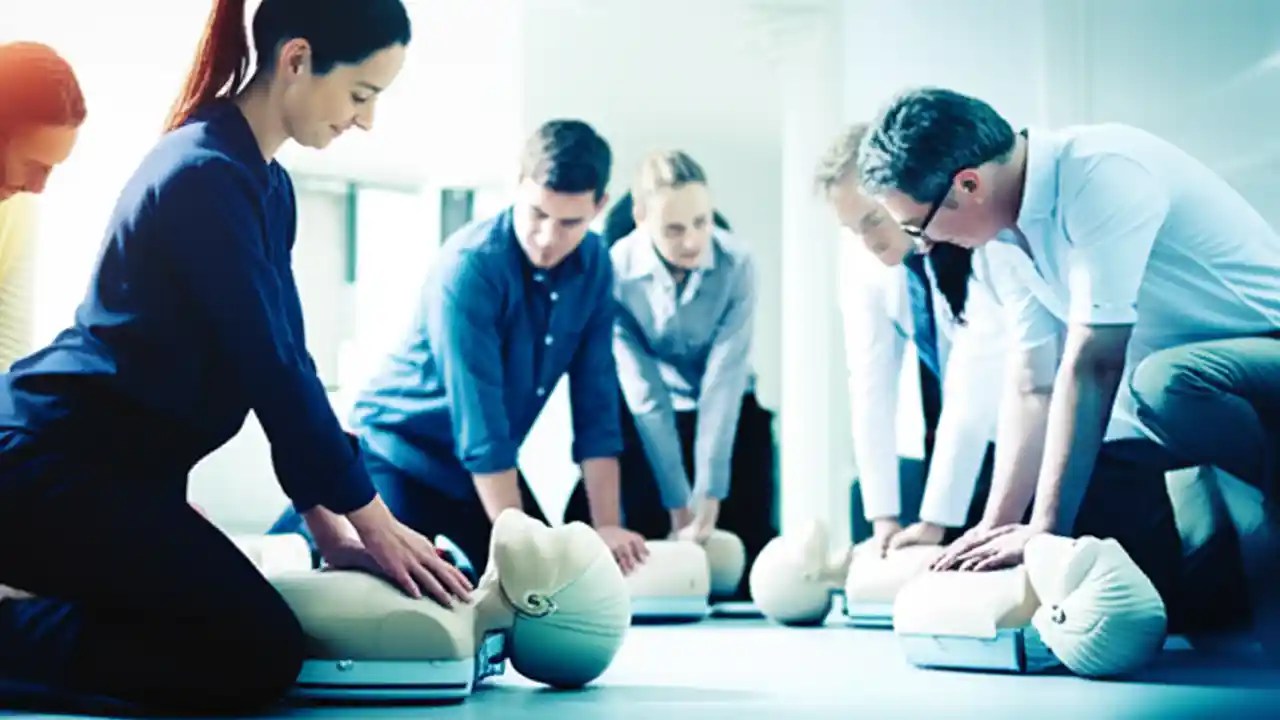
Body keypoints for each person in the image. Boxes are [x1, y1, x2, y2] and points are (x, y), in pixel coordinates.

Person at [0, 1, 476, 715]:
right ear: (295, 60)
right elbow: (272, 370)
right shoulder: (201, 173)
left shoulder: (265, 184)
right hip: (51, 470)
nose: (366, 120)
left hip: (118, 482)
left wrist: (332, 529)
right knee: (252, 649)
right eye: (360, 94)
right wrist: (374, 523)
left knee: (245, 641)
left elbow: (289, 358)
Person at [855, 87, 1280, 648]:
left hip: (1253, 357)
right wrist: (996, 523)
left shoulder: (1100, 174)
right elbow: (1033, 383)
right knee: (1168, 566)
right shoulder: (1005, 237)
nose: (925, 246)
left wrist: (1044, 531)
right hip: (1176, 397)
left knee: (1162, 383)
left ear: (968, 184)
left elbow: (1094, 363)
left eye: (917, 226)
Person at [275, 119, 650, 578]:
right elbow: (483, 428)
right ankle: (285, 539)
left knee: (556, 593)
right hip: (399, 455)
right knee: (396, 582)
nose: (549, 238)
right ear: (517, 184)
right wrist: (525, 556)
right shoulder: (471, 267)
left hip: (476, 475)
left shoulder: (595, 267)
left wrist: (608, 526)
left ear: (599, 207)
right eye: (537, 214)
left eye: (570, 222)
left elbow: (597, 407)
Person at [563, 151, 776, 583]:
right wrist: (680, 506)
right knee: (646, 521)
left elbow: (724, 380)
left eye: (702, 222)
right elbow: (646, 396)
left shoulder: (739, 263)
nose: (693, 241)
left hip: (729, 401)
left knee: (744, 533)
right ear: (641, 218)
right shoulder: (615, 272)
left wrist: (709, 494)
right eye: (674, 229)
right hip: (652, 403)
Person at [815, 123, 1001, 556]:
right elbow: (870, 386)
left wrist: (936, 519)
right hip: (947, 440)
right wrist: (883, 518)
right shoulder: (863, 263)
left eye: (873, 220)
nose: (866, 242)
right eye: (851, 229)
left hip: (1016, 426)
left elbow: (974, 384)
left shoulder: (973, 239)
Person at [0, 42, 86, 371]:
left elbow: (8, 342)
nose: (37, 187)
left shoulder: (16, 208)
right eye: (33, 165)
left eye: (50, 170)